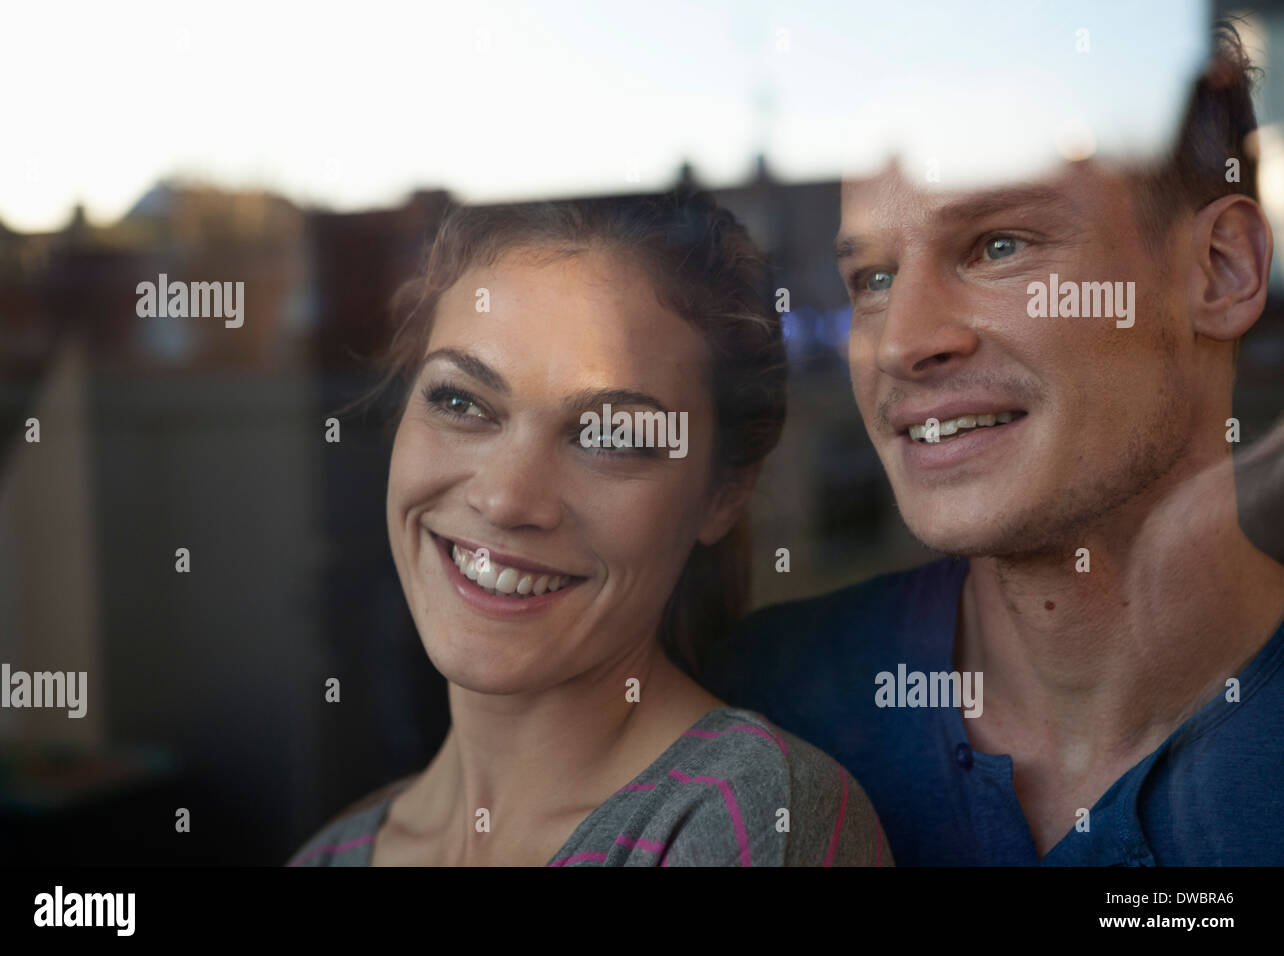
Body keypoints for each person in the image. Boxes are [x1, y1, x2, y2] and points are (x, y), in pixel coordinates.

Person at [703, 23, 1284, 865]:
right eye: (872, 279)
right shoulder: (760, 714)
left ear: (1222, 269)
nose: (902, 341)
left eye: (998, 245)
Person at [288, 189, 889, 866]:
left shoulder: (749, 821)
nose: (507, 498)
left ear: (723, 493)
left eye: (610, 436)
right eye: (460, 401)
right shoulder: (329, 856)